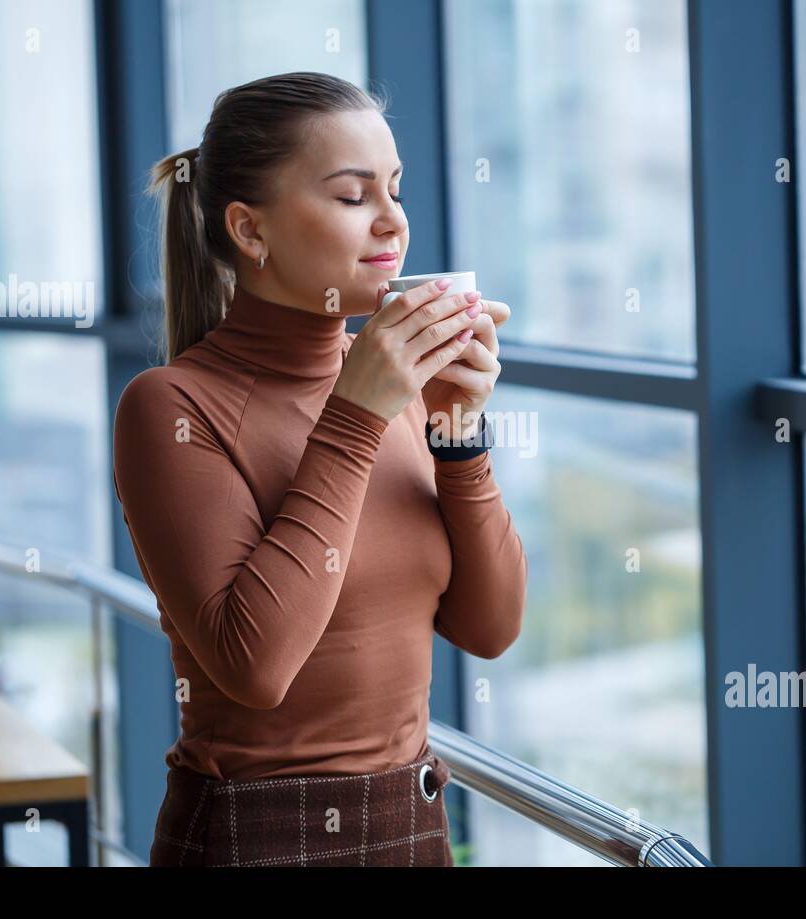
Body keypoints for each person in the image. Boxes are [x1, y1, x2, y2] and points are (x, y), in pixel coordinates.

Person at [112, 71, 527, 867]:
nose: (393, 222)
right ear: (250, 230)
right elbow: (255, 664)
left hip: (411, 828)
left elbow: (492, 628)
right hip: (252, 841)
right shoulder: (170, 405)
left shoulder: (397, 391)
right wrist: (357, 414)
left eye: (396, 191)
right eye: (351, 196)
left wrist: (460, 436)